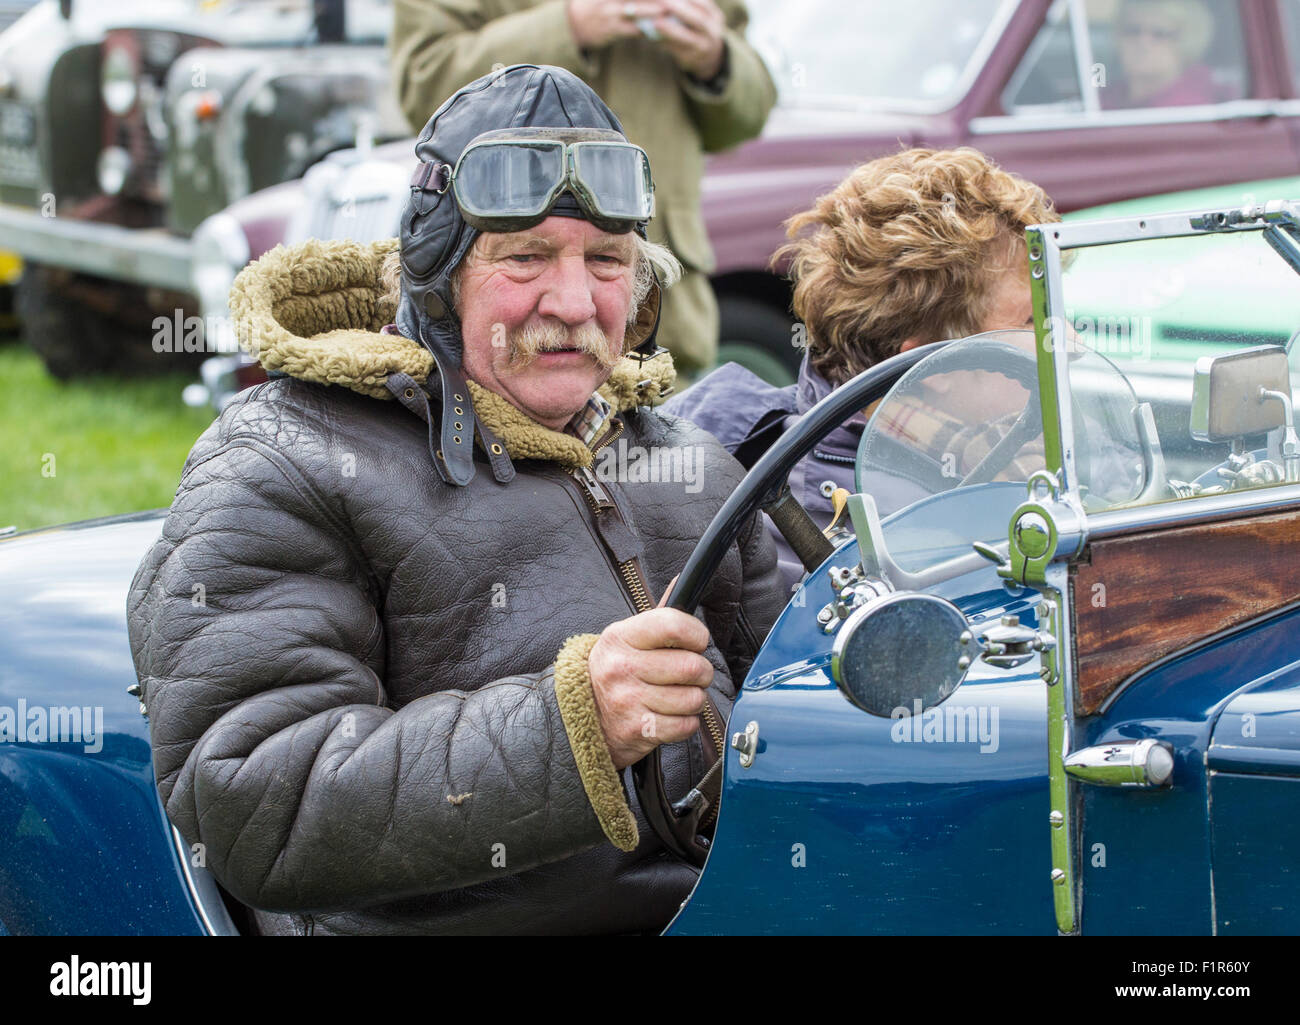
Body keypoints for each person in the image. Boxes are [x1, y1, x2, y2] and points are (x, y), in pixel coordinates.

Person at [126, 65, 784, 936]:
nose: (575, 300)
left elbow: (811, 690)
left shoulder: (687, 461)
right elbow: (253, 801)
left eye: (607, 261)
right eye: (526, 257)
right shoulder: (284, 463)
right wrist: (571, 724)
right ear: (433, 275)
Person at [663, 147, 1060, 591]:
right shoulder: (817, 521)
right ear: (934, 365)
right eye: (1030, 320)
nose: (1069, 343)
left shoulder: (1017, 448)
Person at [389, 0, 778, 374]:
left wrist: (716, 62)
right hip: (488, 344)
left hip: (662, 328)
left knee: (655, 434)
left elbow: (746, 120)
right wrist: (570, 25)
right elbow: (424, 85)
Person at [1102, 0, 1225, 109]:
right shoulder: (1103, 98)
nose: (1143, 43)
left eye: (1159, 34)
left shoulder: (1197, 106)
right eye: (1133, 31)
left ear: (1187, 41)